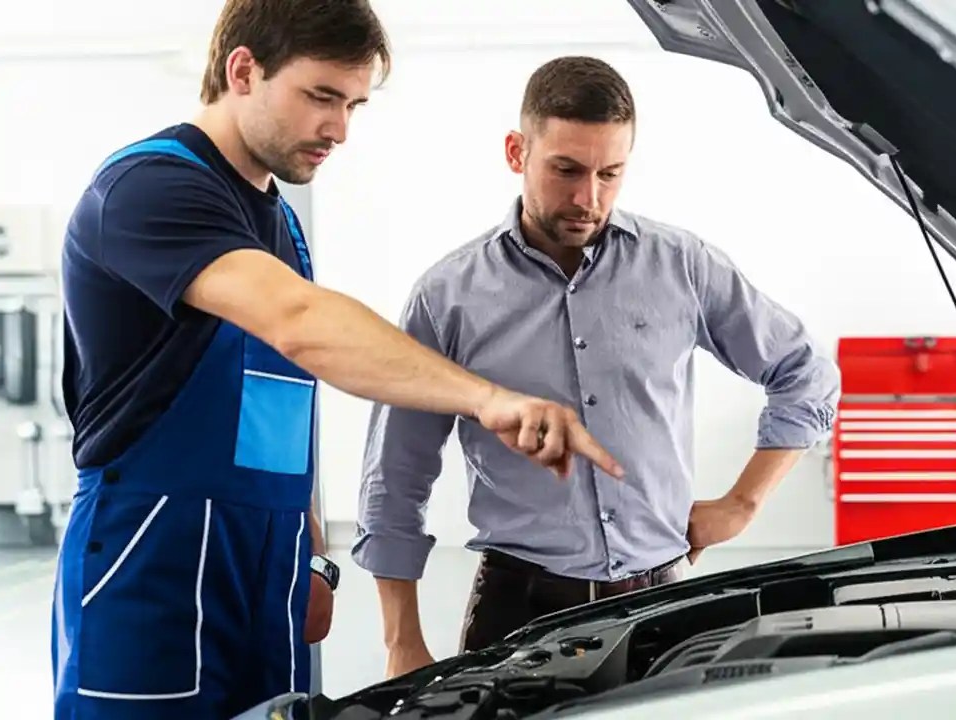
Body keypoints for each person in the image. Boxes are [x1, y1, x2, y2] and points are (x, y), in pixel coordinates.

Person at [50, 4, 622, 719]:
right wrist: (485, 399)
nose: (340, 128)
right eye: (321, 96)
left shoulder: (279, 220)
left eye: (353, 104)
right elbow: (300, 325)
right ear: (243, 70)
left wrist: (311, 551)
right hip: (151, 568)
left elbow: (279, 401)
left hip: (264, 570)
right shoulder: (148, 190)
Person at [352, 55, 841, 676]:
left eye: (610, 173)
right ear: (515, 152)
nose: (589, 198)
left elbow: (804, 372)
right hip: (518, 614)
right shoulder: (447, 297)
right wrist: (401, 642)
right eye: (566, 170)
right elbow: (395, 473)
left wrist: (743, 503)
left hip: (662, 606)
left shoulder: (681, 266)